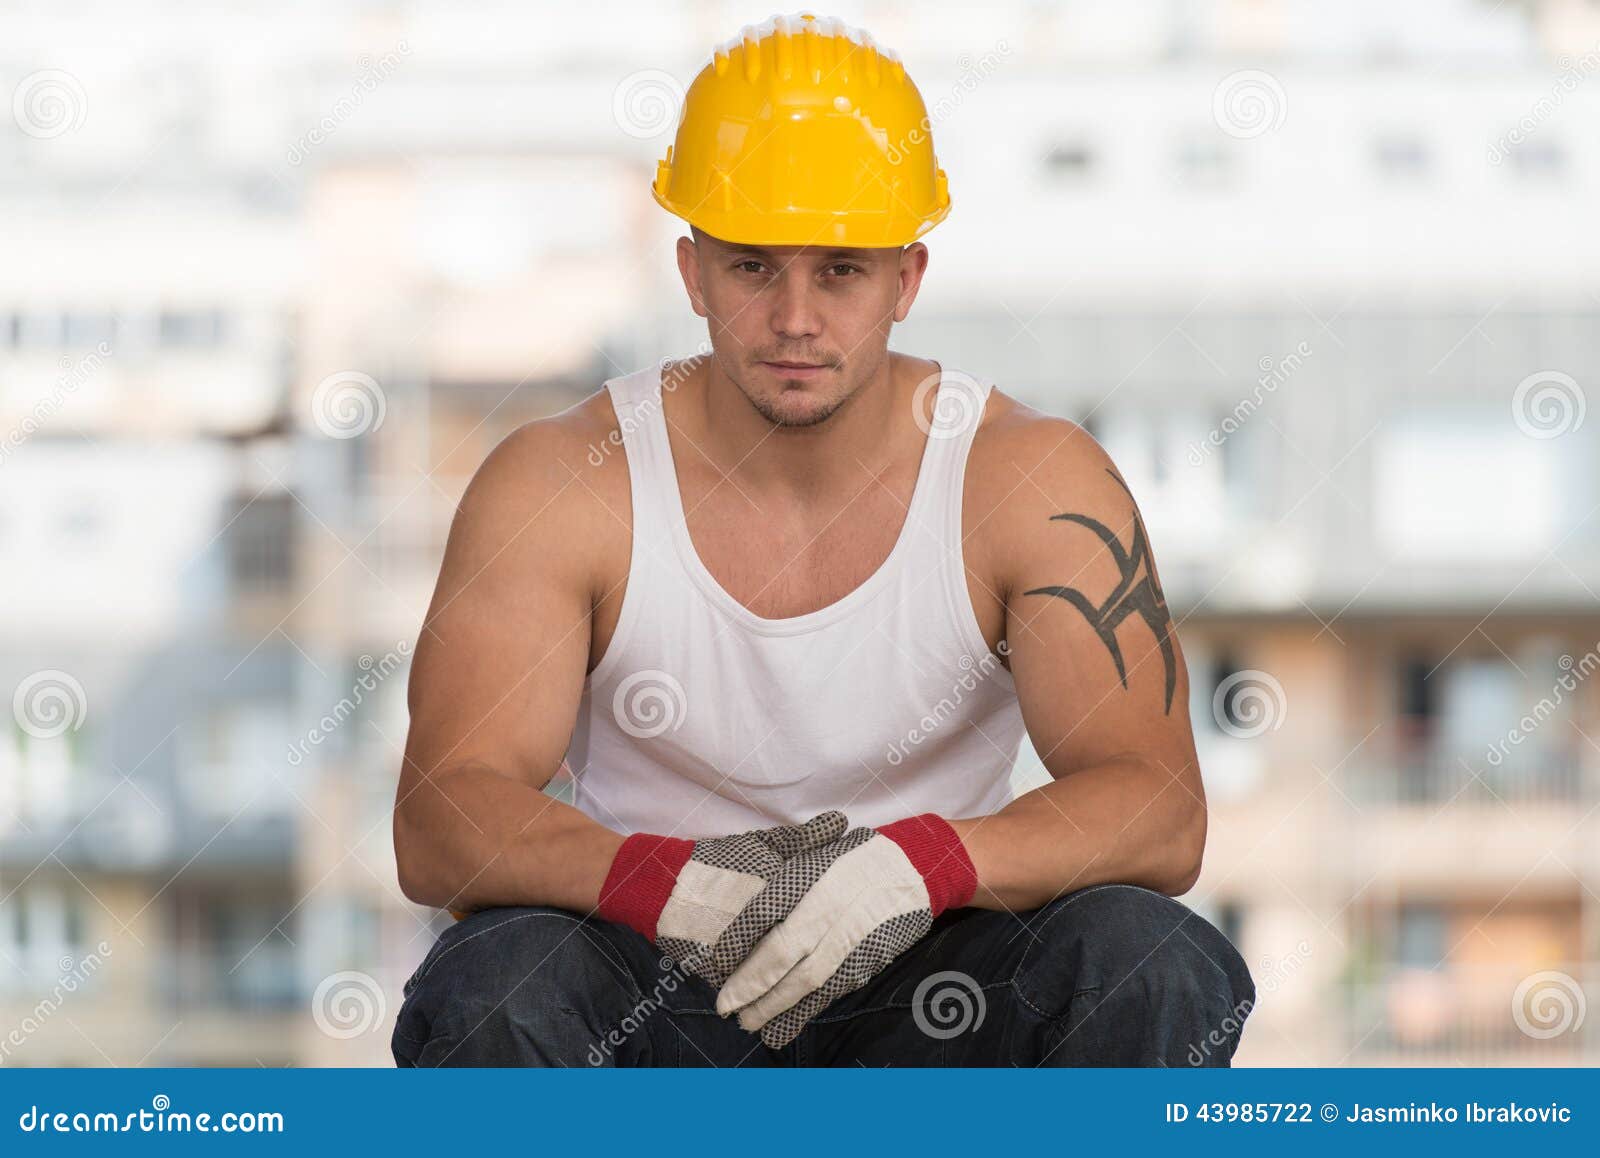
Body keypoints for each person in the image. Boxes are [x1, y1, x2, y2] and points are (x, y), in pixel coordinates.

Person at [389, 11, 1254, 1067]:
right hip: (653, 992)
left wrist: (919, 868)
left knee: (1149, 959)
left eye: (841, 269)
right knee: (496, 981)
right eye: (753, 266)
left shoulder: (1030, 479)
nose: (795, 317)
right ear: (692, 271)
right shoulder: (561, 482)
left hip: (938, 992)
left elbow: (1160, 813)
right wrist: (665, 883)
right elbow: (439, 821)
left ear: (907, 279)